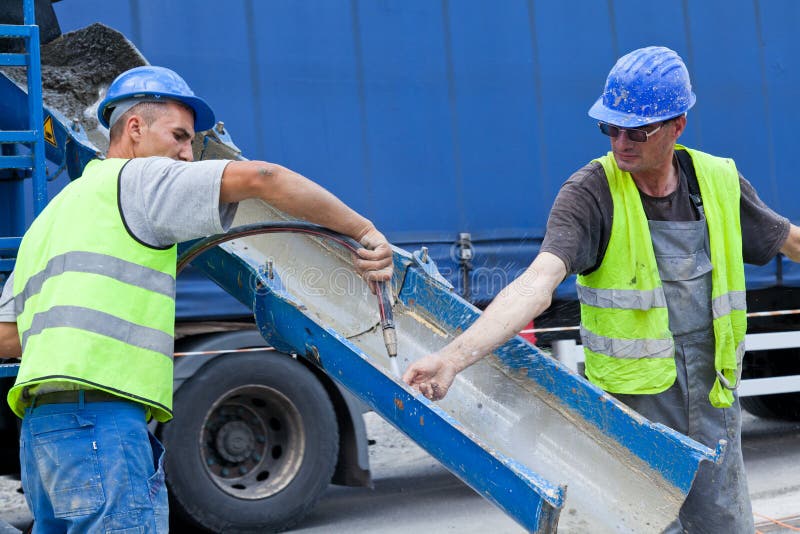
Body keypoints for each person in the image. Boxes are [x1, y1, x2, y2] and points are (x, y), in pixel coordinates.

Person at [402, 46, 800, 533]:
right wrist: (452, 359)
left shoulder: (717, 181)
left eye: (636, 130)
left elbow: (789, 240)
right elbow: (536, 283)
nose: (621, 142)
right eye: (610, 128)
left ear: (678, 126)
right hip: (636, 428)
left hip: (715, 418)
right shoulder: (591, 193)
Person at [0, 65, 393, 532]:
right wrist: (364, 232)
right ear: (135, 128)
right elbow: (265, 178)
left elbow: (7, 337)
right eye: (180, 137)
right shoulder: (142, 181)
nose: (187, 155)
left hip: (45, 432)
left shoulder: (54, 214)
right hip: (101, 426)